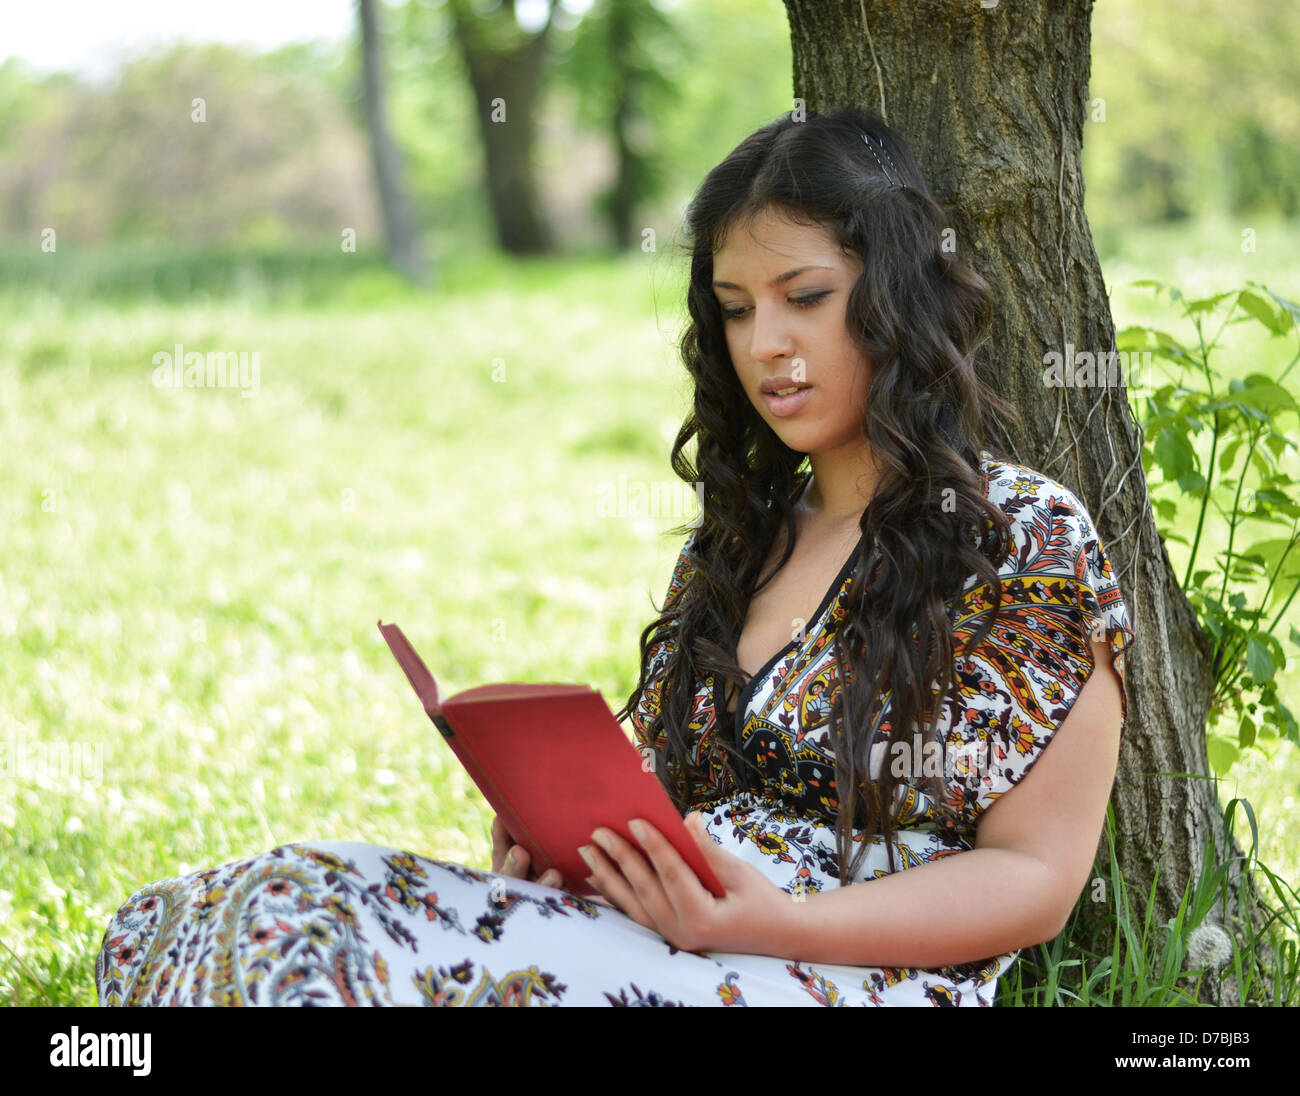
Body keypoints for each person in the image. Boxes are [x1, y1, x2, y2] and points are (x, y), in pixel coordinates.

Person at [95, 105, 1132, 1007]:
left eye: (802, 296)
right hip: (663, 936)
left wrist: (777, 925)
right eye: (734, 309)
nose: (765, 340)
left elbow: (1035, 879)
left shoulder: (1017, 536)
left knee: (343, 953)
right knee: (273, 898)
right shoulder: (746, 538)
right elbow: (673, 803)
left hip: (839, 971)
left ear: (897, 292)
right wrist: (576, 848)